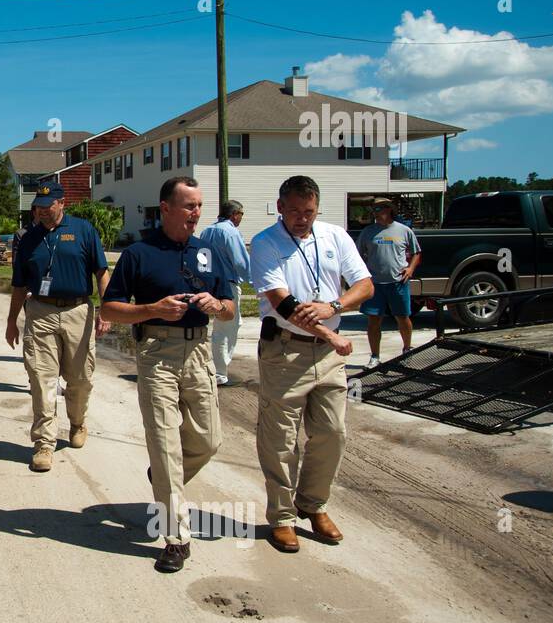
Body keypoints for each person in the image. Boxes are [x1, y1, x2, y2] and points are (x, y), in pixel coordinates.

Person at [100, 177, 236, 573]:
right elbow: (109, 309)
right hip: (156, 352)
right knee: (164, 442)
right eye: (189, 206)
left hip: (198, 350)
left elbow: (229, 307)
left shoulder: (208, 251)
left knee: (209, 440)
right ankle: (175, 537)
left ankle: (163, 477)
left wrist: (218, 305)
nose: (196, 213)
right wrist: (152, 310)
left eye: (199, 206)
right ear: (165, 208)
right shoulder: (139, 254)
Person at [250, 176, 374, 553]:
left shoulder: (335, 237)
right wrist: (332, 335)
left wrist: (333, 307)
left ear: (317, 209)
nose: (302, 219)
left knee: (332, 433)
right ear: (280, 207)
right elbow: (283, 302)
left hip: (329, 358)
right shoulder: (265, 243)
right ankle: (283, 518)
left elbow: (364, 285)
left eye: (309, 212)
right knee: (280, 441)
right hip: (286, 352)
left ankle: (313, 504)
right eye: (295, 211)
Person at [5, 178, 110, 473]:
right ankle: (44, 444)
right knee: (41, 379)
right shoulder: (28, 239)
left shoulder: (83, 230)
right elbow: (19, 284)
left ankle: (77, 421)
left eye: (48, 206)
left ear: (62, 203)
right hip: (40, 311)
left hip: (78, 310)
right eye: (38, 207)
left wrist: (106, 310)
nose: (42, 212)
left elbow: (102, 273)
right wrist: (12, 321)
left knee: (80, 378)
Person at [357, 198, 422, 367]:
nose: (376, 211)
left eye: (379, 208)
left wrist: (410, 269)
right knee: (373, 320)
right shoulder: (368, 232)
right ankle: (375, 356)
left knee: (402, 317)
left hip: (398, 282)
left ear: (389, 210)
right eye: (375, 208)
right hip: (375, 285)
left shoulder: (403, 230)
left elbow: (417, 252)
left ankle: (407, 349)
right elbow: (357, 256)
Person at [201, 199, 252, 386]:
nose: (241, 218)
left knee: (223, 326)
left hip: (210, 284)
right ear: (234, 214)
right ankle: (220, 372)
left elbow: (202, 259)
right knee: (227, 327)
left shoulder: (207, 231)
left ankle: (216, 367)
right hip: (227, 286)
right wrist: (253, 281)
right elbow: (240, 261)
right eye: (241, 214)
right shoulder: (231, 232)